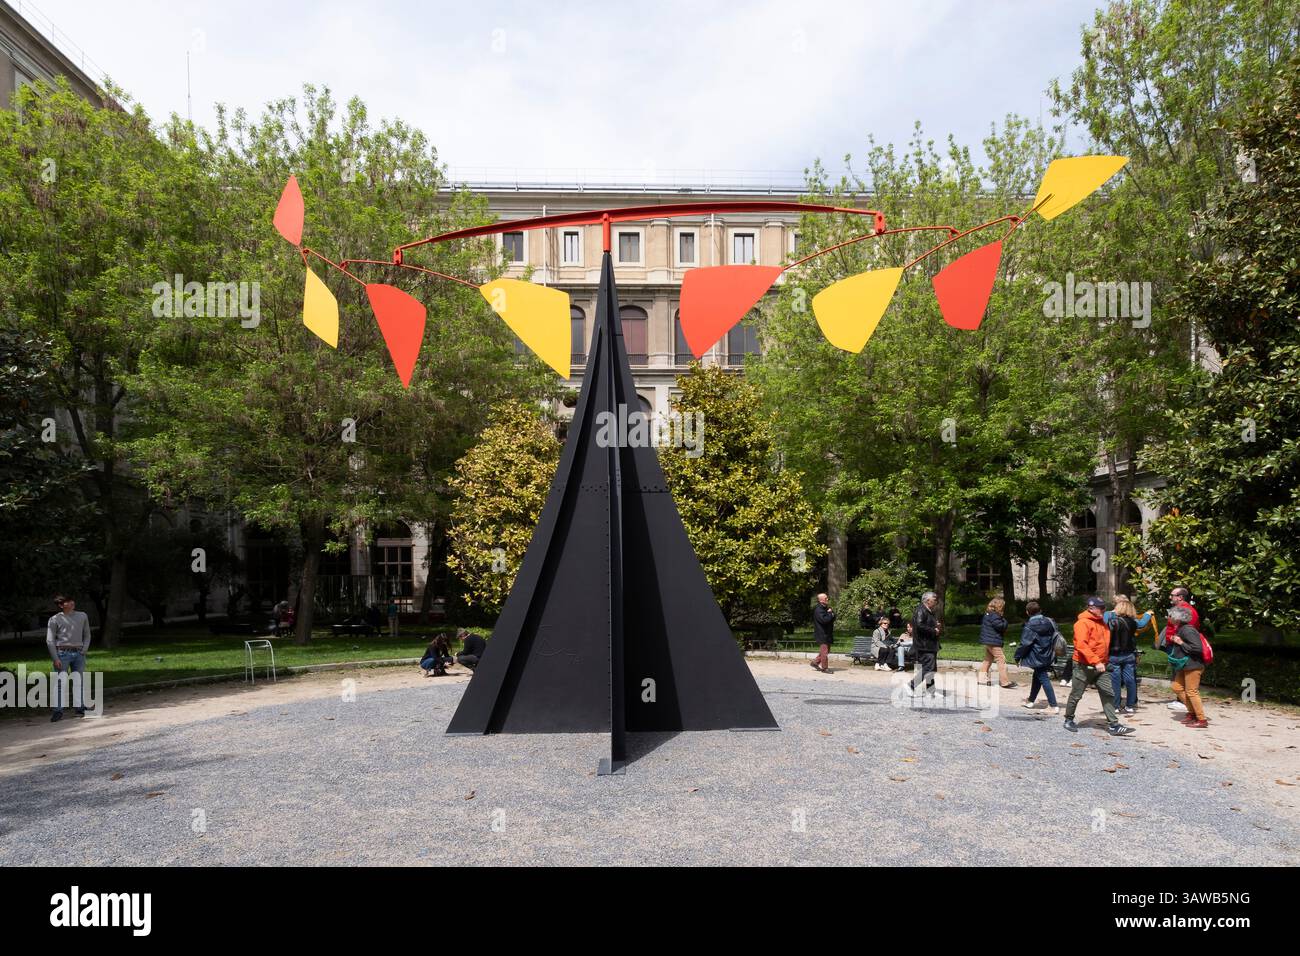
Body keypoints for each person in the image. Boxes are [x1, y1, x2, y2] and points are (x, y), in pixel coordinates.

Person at [1063, 597, 1132, 736]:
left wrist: (1104, 661)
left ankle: (1114, 725)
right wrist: (1096, 661)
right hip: (1084, 665)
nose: (1104, 610)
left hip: (1101, 666)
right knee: (1076, 695)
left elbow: (1103, 645)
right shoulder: (1082, 623)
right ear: (1091, 608)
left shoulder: (1102, 623)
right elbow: (1082, 645)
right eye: (1101, 608)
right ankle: (1068, 719)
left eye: (1104, 608)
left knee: (1108, 693)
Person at [1104, 596, 1152, 715]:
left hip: (1114, 654)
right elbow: (1141, 624)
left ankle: (1115, 705)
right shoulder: (1133, 622)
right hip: (1129, 653)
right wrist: (1147, 615)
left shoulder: (1111, 621)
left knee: (1115, 681)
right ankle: (1130, 705)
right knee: (1130, 680)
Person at [47, 595, 91, 722]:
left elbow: (87, 634)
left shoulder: (82, 616)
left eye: (72, 600)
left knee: (79, 681)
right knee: (60, 683)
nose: (72, 603)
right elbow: (50, 640)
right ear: (61, 605)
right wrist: (55, 658)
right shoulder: (54, 620)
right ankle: (58, 711)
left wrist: (84, 650)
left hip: (79, 653)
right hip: (62, 654)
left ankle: (80, 707)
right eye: (67, 602)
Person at [1166, 605, 1209, 728]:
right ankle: (1192, 712)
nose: (1169, 618)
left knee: (1192, 691)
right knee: (1176, 687)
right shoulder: (1181, 628)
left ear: (1177, 618)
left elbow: (1197, 648)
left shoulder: (1188, 630)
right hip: (1184, 664)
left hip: (1193, 665)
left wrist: (1180, 642)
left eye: (1170, 616)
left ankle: (1201, 719)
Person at [1015, 600, 1059, 714]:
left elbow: (1025, 643)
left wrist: (1017, 656)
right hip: (1049, 653)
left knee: (1043, 678)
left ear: (1027, 612)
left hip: (1037, 656)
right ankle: (1031, 701)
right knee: (1037, 677)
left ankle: (1053, 705)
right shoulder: (1050, 621)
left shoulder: (1029, 626)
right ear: (1040, 610)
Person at [908, 591, 941, 697]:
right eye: (934, 599)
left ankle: (930, 691)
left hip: (929, 644)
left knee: (929, 668)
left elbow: (924, 624)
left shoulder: (928, 611)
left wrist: (936, 626)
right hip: (924, 645)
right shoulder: (921, 610)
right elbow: (919, 625)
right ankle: (911, 686)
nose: (936, 601)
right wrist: (933, 630)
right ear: (928, 600)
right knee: (928, 668)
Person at [977, 597, 1015, 688]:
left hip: (989, 640)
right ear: (999, 606)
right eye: (1003, 606)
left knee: (988, 660)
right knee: (1001, 659)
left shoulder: (988, 614)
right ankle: (1004, 682)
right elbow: (1000, 626)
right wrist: (1005, 621)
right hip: (993, 641)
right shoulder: (995, 615)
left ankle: (982, 679)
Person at [811, 593, 835, 673]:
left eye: (827, 598)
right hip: (822, 634)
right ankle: (825, 668)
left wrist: (831, 613)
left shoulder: (825, 608)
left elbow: (832, 616)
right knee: (824, 652)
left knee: (826, 651)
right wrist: (830, 613)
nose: (827, 599)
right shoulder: (819, 610)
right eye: (826, 598)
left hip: (827, 633)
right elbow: (824, 620)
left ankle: (815, 662)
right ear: (821, 600)